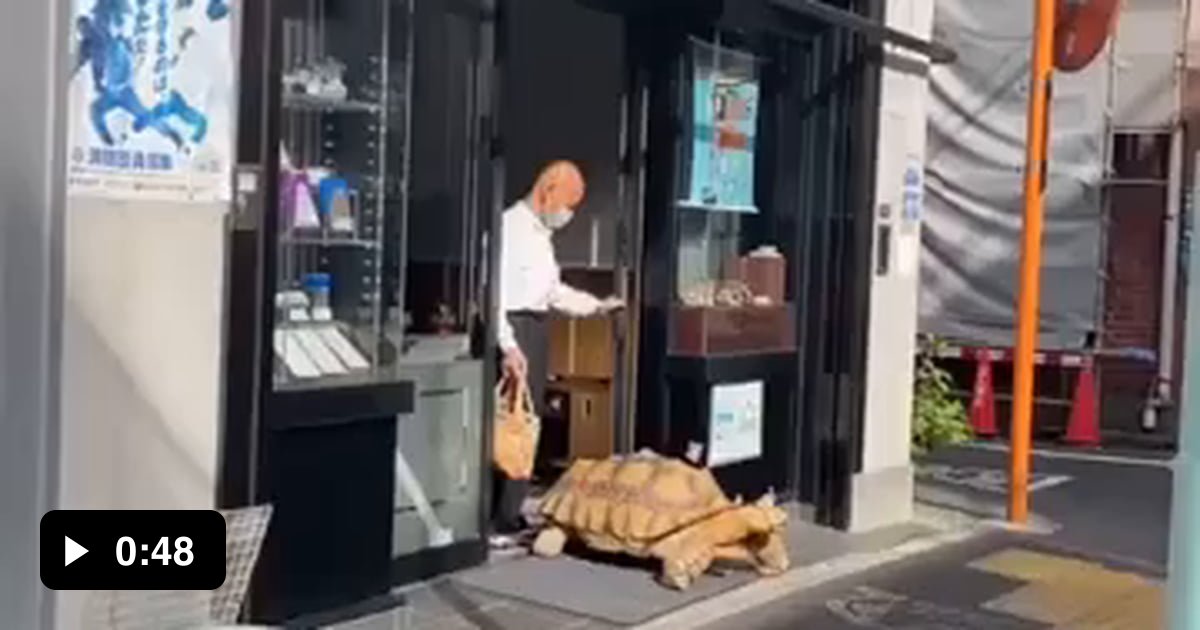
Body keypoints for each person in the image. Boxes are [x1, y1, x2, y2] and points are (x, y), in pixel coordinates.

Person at [492, 160, 622, 548]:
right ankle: (498, 518)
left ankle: (509, 513)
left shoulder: (540, 236)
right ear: (547, 191)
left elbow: (552, 291)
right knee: (510, 422)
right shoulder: (510, 227)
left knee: (526, 424)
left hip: (536, 326)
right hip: (515, 329)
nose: (568, 215)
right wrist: (508, 344)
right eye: (568, 204)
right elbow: (493, 291)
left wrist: (596, 306)